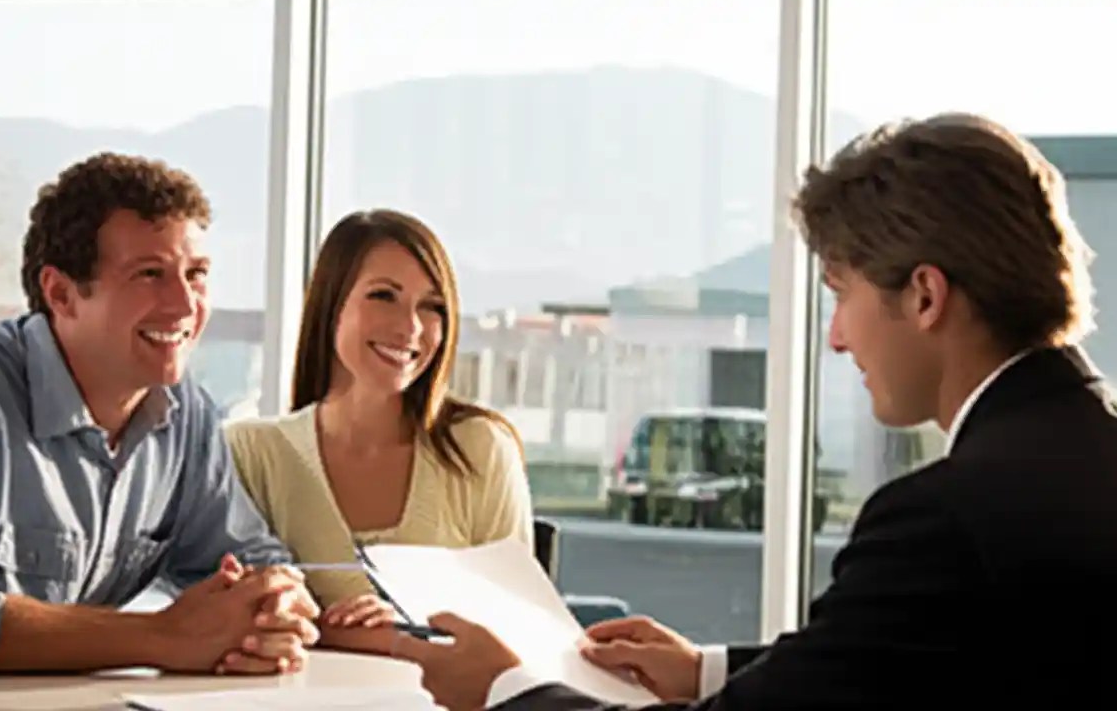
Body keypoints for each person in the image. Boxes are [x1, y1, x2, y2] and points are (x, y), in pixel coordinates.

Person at [391, 112, 1117, 709]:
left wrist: (506, 690)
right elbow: (907, 654)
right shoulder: (1086, 449)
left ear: (925, 296)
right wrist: (710, 672)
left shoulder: (946, 517)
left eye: (842, 295)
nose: (835, 338)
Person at [0, 152, 318, 675]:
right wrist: (162, 636)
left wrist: (272, 608)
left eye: (196, 274)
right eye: (150, 274)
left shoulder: (185, 418)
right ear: (61, 293)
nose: (184, 306)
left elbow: (257, 564)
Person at [223, 209, 534, 655]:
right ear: (331, 306)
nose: (411, 327)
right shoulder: (252, 453)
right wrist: (372, 634)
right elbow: (236, 618)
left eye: (432, 307)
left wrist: (404, 625)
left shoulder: (479, 448)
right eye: (384, 296)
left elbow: (520, 626)